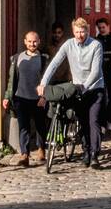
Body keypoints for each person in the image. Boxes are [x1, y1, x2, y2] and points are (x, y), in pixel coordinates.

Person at [38, 17, 105, 168]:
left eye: (82, 31)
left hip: (94, 88)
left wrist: (84, 86)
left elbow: (95, 71)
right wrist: (43, 83)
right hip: (77, 88)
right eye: (77, 32)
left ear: (87, 31)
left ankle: (94, 155)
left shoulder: (96, 45)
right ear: (73, 32)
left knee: (93, 120)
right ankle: (86, 151)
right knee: (82, 121)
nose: (80, 35)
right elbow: (54, 63)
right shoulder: (68, 45)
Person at [2, 30, 49, 166]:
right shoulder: (17, 58)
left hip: (38, 98)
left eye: (34, 41)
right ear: (25, 42)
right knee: (24, 126)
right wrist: (7, 97)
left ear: (39, 41)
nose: (32, 44)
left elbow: (47, 79)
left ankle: (41, 149)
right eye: (29, 41)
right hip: (21, 97)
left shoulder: (44, 59)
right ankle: (24, 154)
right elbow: (12, 80)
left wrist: (44, 96)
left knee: (40, 125)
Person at [94, 16, 111, 133]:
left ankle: (109, 119)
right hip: (100, 74)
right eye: (99, 28)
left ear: (108, 27)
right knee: (101, 98)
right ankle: (102, 122)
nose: (102, 30)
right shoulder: (96, 41)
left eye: (103, 27)